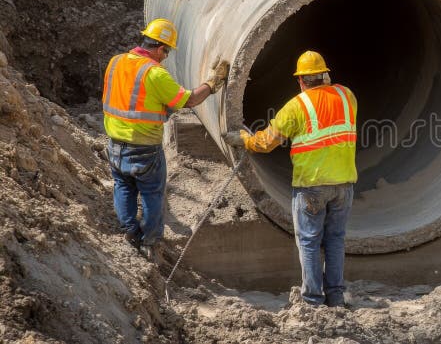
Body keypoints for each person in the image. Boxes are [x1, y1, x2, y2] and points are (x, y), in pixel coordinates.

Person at [225, 51, 357, 307]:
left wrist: (243, 139)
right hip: (344, 184)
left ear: (300, 81)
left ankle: (312, 300)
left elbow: (265, 143)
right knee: (335, 239)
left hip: (311, 185)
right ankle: (336, 296)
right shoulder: (347, 96)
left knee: (309, 241)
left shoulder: (297, 106)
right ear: (325, 75)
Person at [102, 18, 230, 260]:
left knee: (123, 187)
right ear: (160, 48)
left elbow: (129, 97)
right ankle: (150, 243)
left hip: (114, 142)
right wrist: (213, 84)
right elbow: (189, 100)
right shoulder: (154, 73)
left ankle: (130, 232)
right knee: (151, 193)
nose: (165, 57)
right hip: (144, 147)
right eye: (166, 52)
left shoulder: (116, 61)